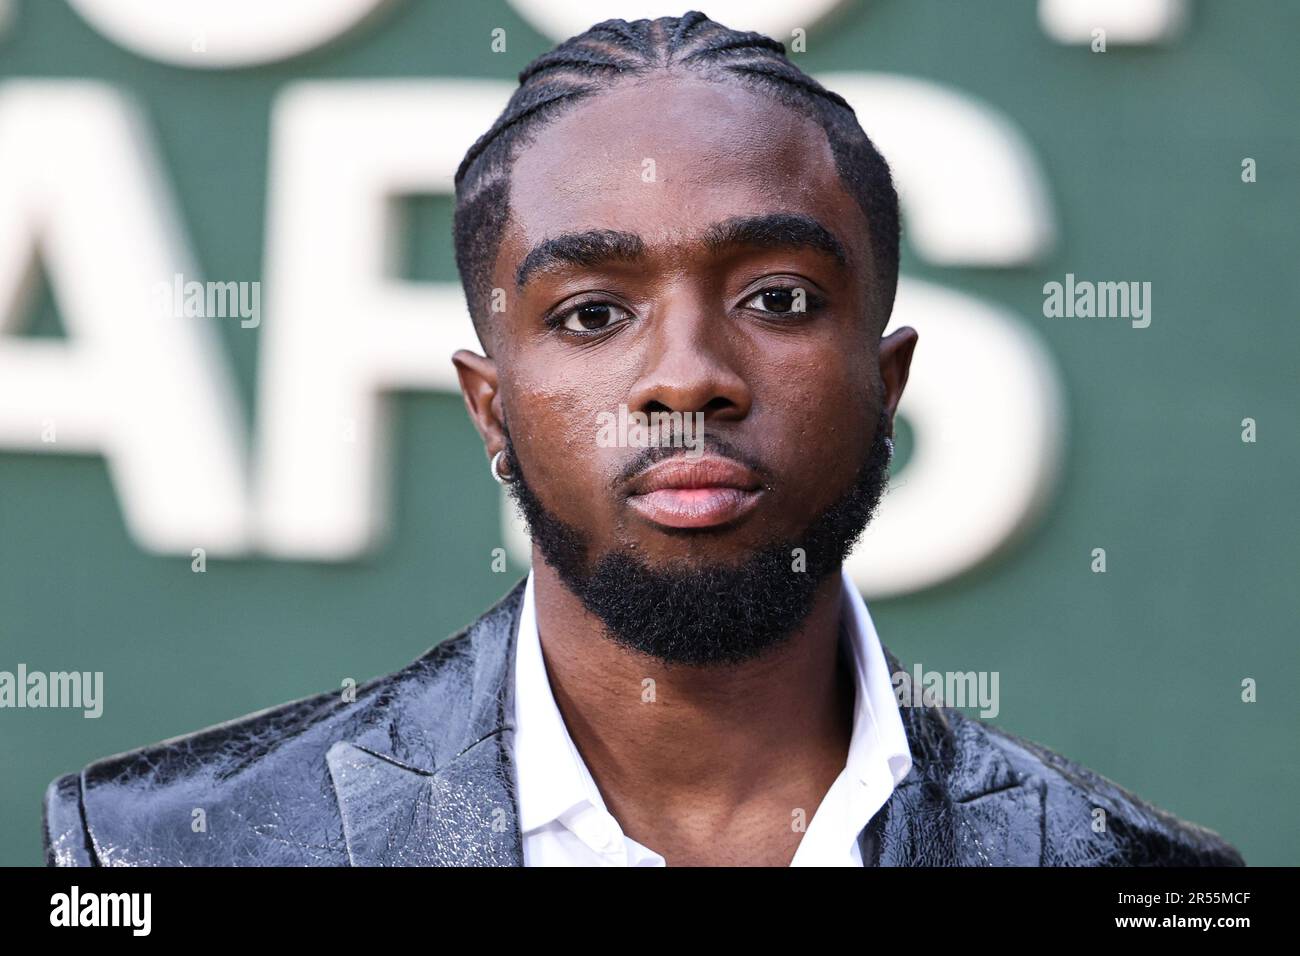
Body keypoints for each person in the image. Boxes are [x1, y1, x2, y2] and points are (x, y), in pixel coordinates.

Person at [43, 11, 1243, 867]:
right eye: (592, 313)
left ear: (887, 383)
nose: (687, 377)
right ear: (489, 405)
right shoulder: (158, 854)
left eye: (775, 298)